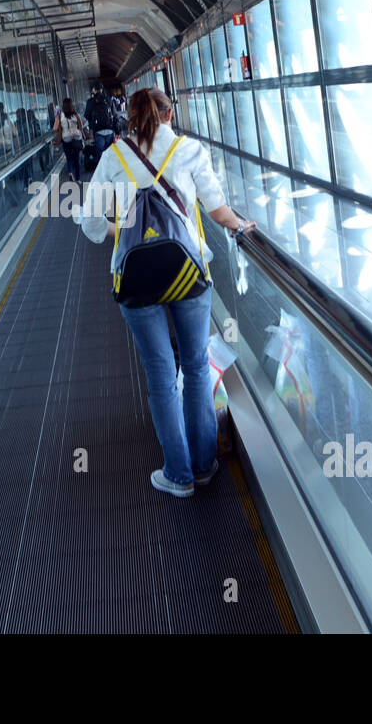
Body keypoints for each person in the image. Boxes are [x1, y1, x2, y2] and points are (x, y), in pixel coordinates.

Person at [76, 87, 255, 498]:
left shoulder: (112, 157)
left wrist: (124, 232)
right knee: (194, 368)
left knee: (160, 375)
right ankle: (205, 464)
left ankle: (178, 475)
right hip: (187, 274)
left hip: (135, 281)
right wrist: (241, 226)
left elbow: (88, 226)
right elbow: (217, 210)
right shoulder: (189, 150)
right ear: (170, 115)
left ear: (131, 120)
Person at [53, 97, 88, 182]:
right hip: (76, 138)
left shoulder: (60, 115)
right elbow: (80, 127)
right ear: (72, 105)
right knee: (76, 158)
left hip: (66, 138)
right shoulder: (76, 114)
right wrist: (83, 136)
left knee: (68, 158)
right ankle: (78, 179)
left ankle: (70, 172)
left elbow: (55, 128)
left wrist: (61, 127)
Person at [84, 86, 117, 158]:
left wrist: (91, 129)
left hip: (98, 131)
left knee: (101, 155)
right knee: (111, 153)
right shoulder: (109, 99)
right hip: (110, 130)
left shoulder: (90, 101)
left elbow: (86, 116)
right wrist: (117, 131)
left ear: (94, 90)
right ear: (102, 90)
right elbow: (115, 115)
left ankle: (102, 168)